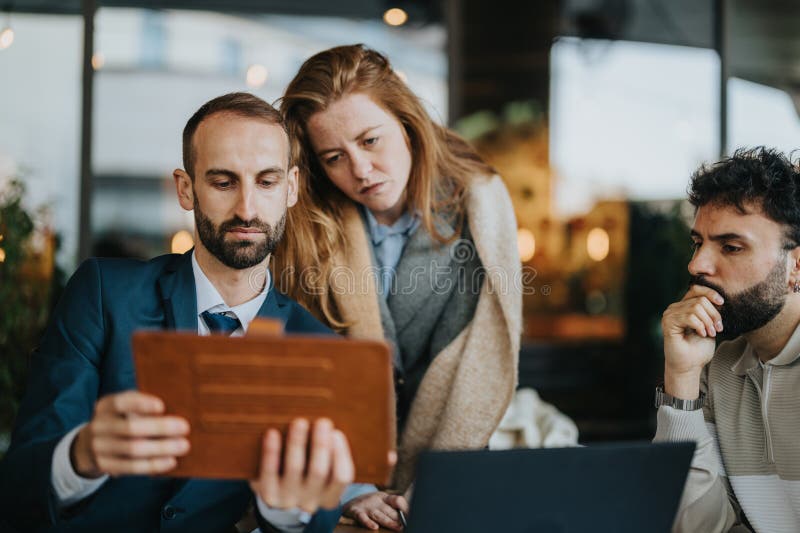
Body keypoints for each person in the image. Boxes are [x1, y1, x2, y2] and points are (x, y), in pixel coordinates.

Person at [0, 93, 356, 533]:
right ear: (186, 189)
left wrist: (285, 508)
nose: (247, 209)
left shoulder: (318, 349)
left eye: (266, 182)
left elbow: (317, 518)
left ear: (291, 188)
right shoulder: (103, 294)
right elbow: (19, 481)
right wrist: (81, 455)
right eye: (223, 182)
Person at [274, 44, 522, 531]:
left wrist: (438, 481)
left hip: (451, 471)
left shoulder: (481, 206)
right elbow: (300, 373)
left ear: (407, 124)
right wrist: (352, 490)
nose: (360, 170)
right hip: (337, 485)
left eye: (370, 140)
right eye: (334, 157)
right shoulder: (308, 226)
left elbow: (484, 359)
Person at [655, 147, 800, 532]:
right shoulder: (718, 370)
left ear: (796, 265)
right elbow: (696, 527)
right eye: (697, 243)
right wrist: (682, 376)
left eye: (731, 247)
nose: (697, 265)